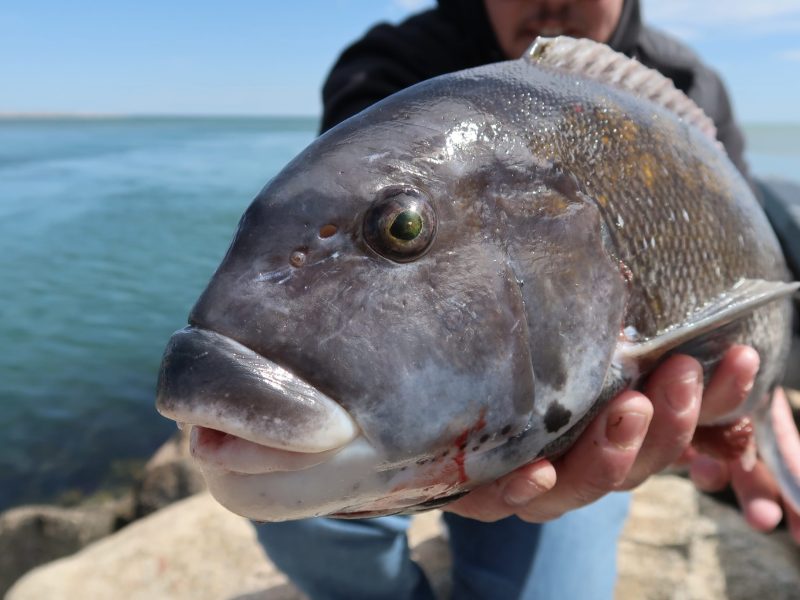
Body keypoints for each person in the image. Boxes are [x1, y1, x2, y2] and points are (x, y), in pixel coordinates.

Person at [255, 1, 800, 598]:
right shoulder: (389, 65)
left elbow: (751, 286)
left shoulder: (689, 87)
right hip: (401, 403)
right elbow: (335, 239)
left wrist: (755, 401)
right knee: (289, 502)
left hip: (564, 442)